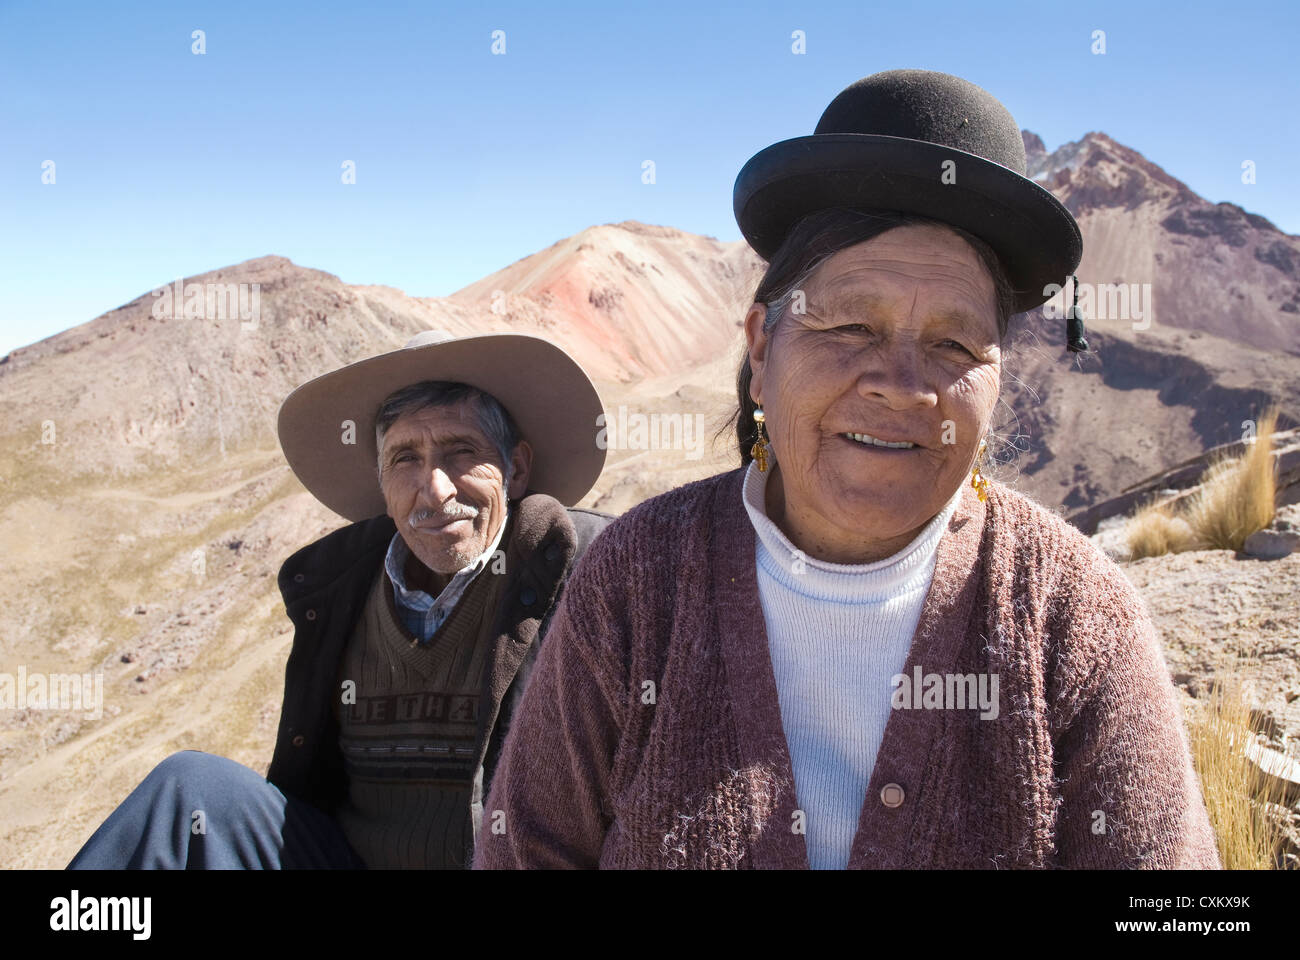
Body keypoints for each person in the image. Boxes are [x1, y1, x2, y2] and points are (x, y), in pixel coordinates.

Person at [474, 69, 1222, 869]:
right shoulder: (635, 579)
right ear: (763, 349)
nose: (899, 385)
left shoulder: (1071, 613)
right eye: (851, 324)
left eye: (954, 345)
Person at [68, 329, 614, 869]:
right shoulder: (342, 588)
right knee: (189, 791)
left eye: (461, 452)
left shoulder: (591, 571)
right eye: (405, 459)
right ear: (380, 480)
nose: (436, 489)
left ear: (515, 468)